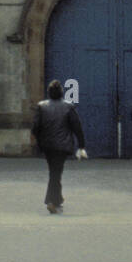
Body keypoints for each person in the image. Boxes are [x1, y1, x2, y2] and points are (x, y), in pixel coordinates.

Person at [31, 79, 87, 213]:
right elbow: (77, 128)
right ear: (62, 92)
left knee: (54, 172)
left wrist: (40, 142)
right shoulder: (69, 107)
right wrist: (81, 146)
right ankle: (53, 202)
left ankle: (57, 199)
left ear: (49, 93)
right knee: (56, 173)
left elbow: (35, 128)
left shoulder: (41, 106)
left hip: (47, 146)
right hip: (62, 146)